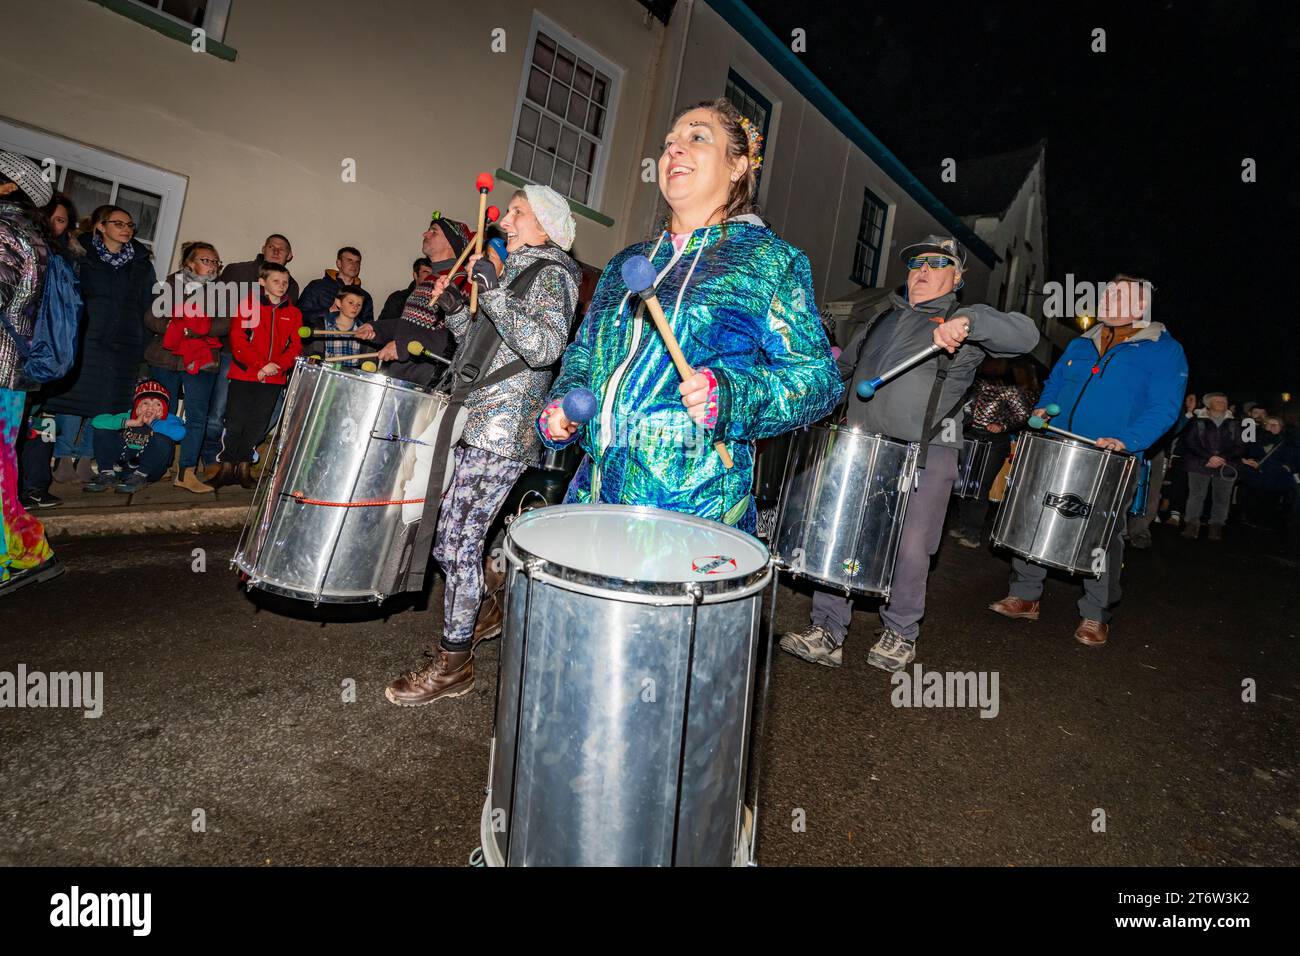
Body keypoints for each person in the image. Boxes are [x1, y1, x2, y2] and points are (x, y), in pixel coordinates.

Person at [540, 99, 842, 536]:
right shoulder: (629, 261)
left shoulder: (769, 261)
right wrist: (564, 406)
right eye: (668, 143)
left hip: (691, 515)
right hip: (592, 498)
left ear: (738, 166)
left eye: (696, 137)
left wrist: (733, 398)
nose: (673, 150)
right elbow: (585, 353)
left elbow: (818, 380)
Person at [777, 234, 1040, 671]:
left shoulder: (963, 319)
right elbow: (837, 375)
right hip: (860, 448)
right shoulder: (880, 319)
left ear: (957, 277)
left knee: (913, 548)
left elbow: (1026, 335)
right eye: (917, 263)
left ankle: (900, 633)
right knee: (842, 533)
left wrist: (970, 321)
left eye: (937, 264)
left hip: (927, 451)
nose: (922, 270)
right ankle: (827, 629)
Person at [383, 185, 581, 706]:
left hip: (503, 429)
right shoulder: (515, 270)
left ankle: (454, 664)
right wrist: (455, 313)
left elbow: (544, 347)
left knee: (455, 541)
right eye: (509, 210)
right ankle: (484, 609)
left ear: (546, 228)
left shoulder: (553, 273)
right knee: (450, 535)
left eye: (518, 213)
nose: (506, 220)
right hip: (472, 418)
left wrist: (493, 292)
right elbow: (483, 343)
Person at [989, 275, 1187, 645]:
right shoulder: (1082, 342)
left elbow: (1165, 408)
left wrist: (1129, 441)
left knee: (1103, 531)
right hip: (1057, 443)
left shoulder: (1163, 350)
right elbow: (1055, 384)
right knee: (1037, 513)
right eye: (1108, 293)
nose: (1107, 299)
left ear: (1141, 306)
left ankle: (1096, 614)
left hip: (1112, 453)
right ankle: (1026, 595)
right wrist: (1046, 411)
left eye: (1118, 296)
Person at [41, 204, 156, 485]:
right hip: (86, 334)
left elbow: (149, 305)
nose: (126, 229)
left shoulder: (141, 263)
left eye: (130, 225)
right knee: (73, 397)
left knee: (107, 400)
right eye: (119, 223)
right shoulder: (79, 254)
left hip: (124, 341)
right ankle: (64, 455)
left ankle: (87, 455)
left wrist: (143, 341)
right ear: (100, 226)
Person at [0, 152, 63, 597]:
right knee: (3, 467)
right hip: (12, 373)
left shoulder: (4, 232)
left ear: (7, 187)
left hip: (0, 365)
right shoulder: (31, 236)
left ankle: (12, 560)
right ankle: (27, 553)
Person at [207, 234, 299, 477]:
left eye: (285, 281)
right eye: (276, 280)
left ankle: (245, 466)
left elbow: (294, 346)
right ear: (262, 282)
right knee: (235, 420)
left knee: (259, 422)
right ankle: (226, 465)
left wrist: (276, 366)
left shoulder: (293, 313)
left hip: (273, 377)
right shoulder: (248, 306)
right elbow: (238, 339)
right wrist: (259, 364)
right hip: (245, 373)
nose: (282, 285)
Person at [143, 241, 229, 493]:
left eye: (215, 261)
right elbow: (151, 318)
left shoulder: (223, 292)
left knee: (196, 416)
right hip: (166, 357)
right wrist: (173, 328)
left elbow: (225, 324)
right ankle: (158, 464)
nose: (213, 266)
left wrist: (192, 329)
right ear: (189, 263)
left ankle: (186, 471)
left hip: (203, 360)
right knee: (161, 412)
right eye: (207, 260)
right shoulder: (169, 286)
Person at [353, 217, 472, 387]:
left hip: (425, 380)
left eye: (433, 231)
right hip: (402, 375)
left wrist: (403, 346)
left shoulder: (462, 281)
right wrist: (377, 328)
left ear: (450, 242)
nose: (425, 234)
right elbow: (410, 324)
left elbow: (455, 336)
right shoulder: (431, 278)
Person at [20, 192, 83, 506]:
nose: (56, 225)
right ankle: (16, 487)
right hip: (21, 350)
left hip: (49, 352)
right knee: (17, 425)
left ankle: (35, 484)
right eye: (53, 218)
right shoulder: (26, 250)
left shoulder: (65, 259)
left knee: (43, 421)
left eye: (62, 221)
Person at [950, 357, 1035, 547]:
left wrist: (1002, 424)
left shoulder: (1010, 389)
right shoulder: (975, 384)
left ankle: (974, 533)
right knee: (964, 485)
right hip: (971, 437)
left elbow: (1023, 415)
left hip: (994, 443)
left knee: (980, 487)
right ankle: (964, 525)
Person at [83, 379, 186, 493]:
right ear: (137, 406)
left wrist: (152, 423)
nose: (150, 408)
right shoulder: (128, 416)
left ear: (164, 408)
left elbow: (179, 434)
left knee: (163, 439)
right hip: (121, 465)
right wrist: (129, 422)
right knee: (103, 430)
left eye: (157, 404)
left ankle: (139, 477)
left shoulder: (169, 419)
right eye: (145, 403)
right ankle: (107, 474)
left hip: (149, 470)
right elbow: (97, 421)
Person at [1179, 391, 1245, 542]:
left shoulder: (1235, 423)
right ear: (1208, 404)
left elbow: (1241, 446)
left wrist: (1222, 458)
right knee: (1196, 495)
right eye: (1218, 401)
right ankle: (1192, 524)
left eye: (1224, 401)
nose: (1222, 403)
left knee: (1222, 498)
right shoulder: (1197, 421)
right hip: (1199, 464)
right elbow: (1190, 442)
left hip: (1226, 465)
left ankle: (1216, 526)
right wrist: (1208, 457)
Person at [1239, 416, 1299, 528]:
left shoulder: (1288, 442)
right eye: (1268, 424)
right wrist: (1245, 461)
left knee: (1271, 505)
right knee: (1253, 503)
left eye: (1275, 424)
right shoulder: (1254, 440)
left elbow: (1293, 461)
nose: (1271, 427)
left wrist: (1287, 467)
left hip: (1277, 480)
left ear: (1281, 427)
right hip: (1256, 479)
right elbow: (1244, 453)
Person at [297, 246, 373, 328]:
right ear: (339, 263)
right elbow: (298, 315)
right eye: (349, 260)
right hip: (320, 338)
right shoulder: (317, 286)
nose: (354, 265)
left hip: (352, 339)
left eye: (357, 262)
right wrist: (328, 312)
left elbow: (368, 326)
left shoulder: (365, 296)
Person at [303, 287, 368, 369]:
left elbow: (366, 362)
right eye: (351, 302)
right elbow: (310, 359)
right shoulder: (321, 327)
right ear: (338, 303)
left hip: (350, 378)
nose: (355, 307)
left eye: (359, 305)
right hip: (325, 375)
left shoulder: (363, 331)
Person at [377, 257, 434, 325]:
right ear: (415, 275)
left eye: (433, 273)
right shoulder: (398, 299)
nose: (431, 276)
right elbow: (383, 326)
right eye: (426, 272)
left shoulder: (441, 300)